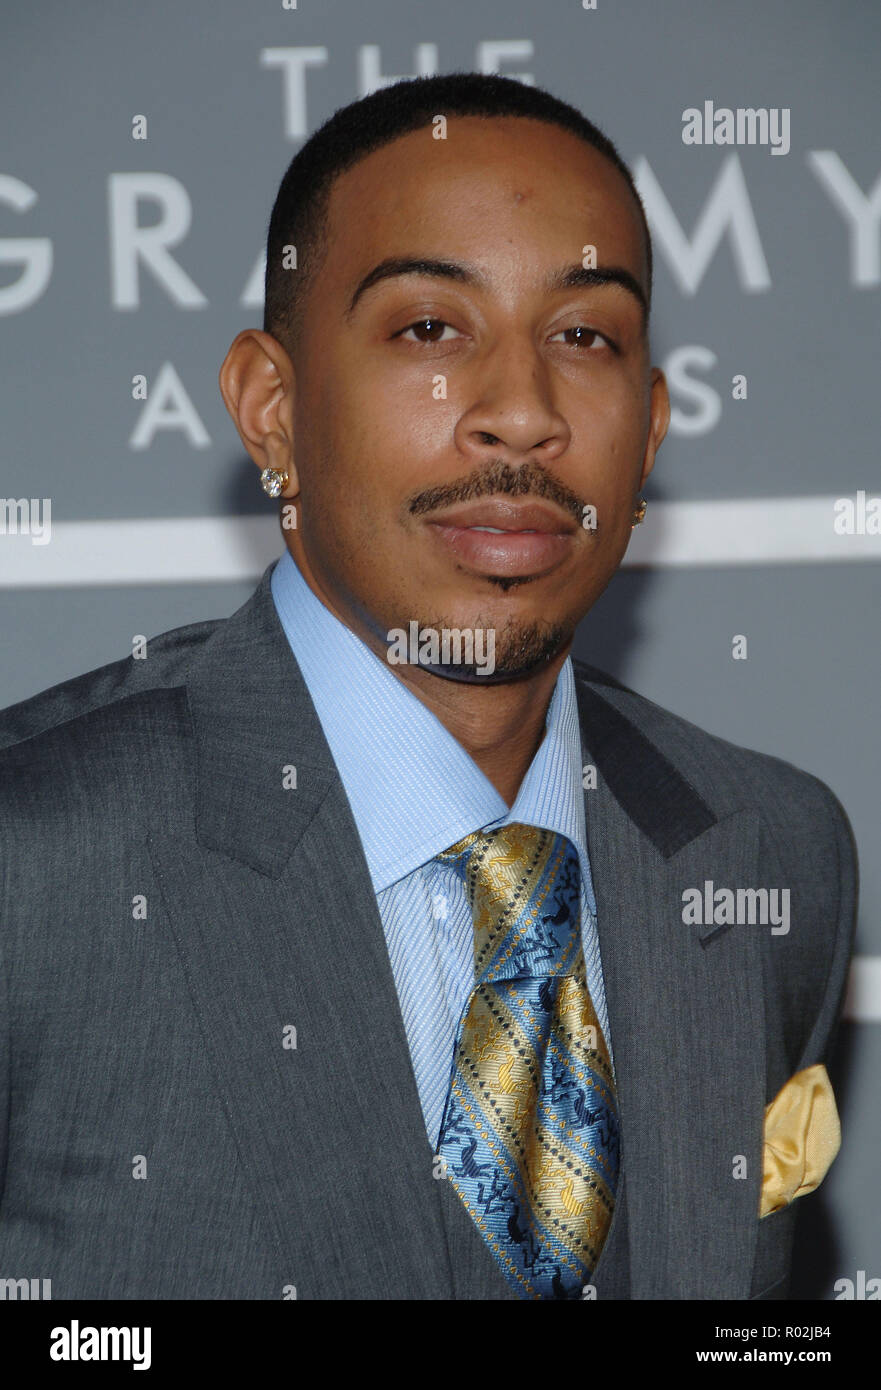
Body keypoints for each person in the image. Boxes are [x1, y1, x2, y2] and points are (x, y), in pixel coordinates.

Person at [0, 73, 857, 1301]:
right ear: (272, 410)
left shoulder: (769, 851)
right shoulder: (33, 864)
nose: (520, 414)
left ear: (651, 423)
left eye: (584, 337)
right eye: (428, 331)